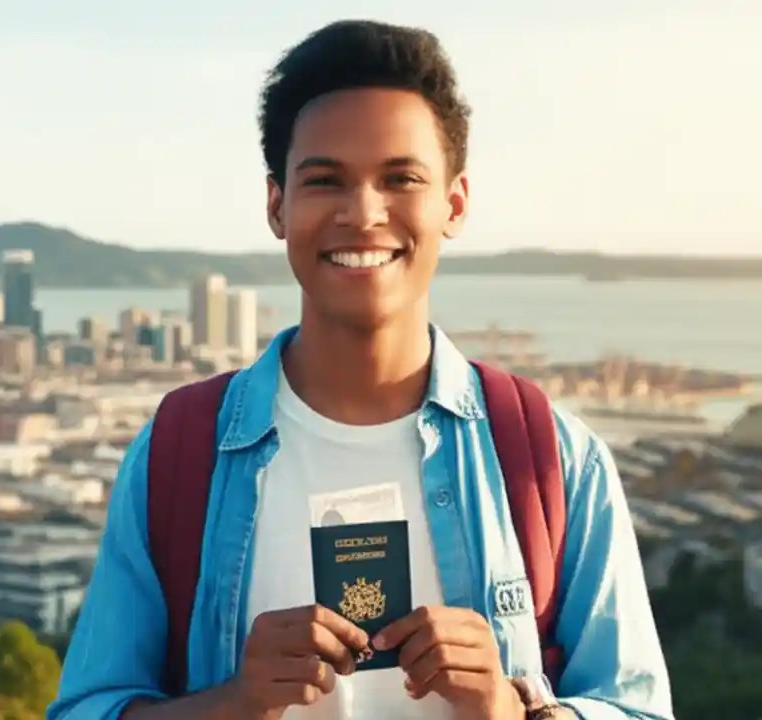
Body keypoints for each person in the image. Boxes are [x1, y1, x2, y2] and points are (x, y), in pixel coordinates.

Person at [47, 19, 672, 720]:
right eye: (325, 181)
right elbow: (85, 708)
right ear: (277, 205)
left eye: (401, 179)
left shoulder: (551, 457)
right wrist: (235, 704)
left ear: (454, 203)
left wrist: (510, 709)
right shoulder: (179, 451)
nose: (363, 212)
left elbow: (639, 707)